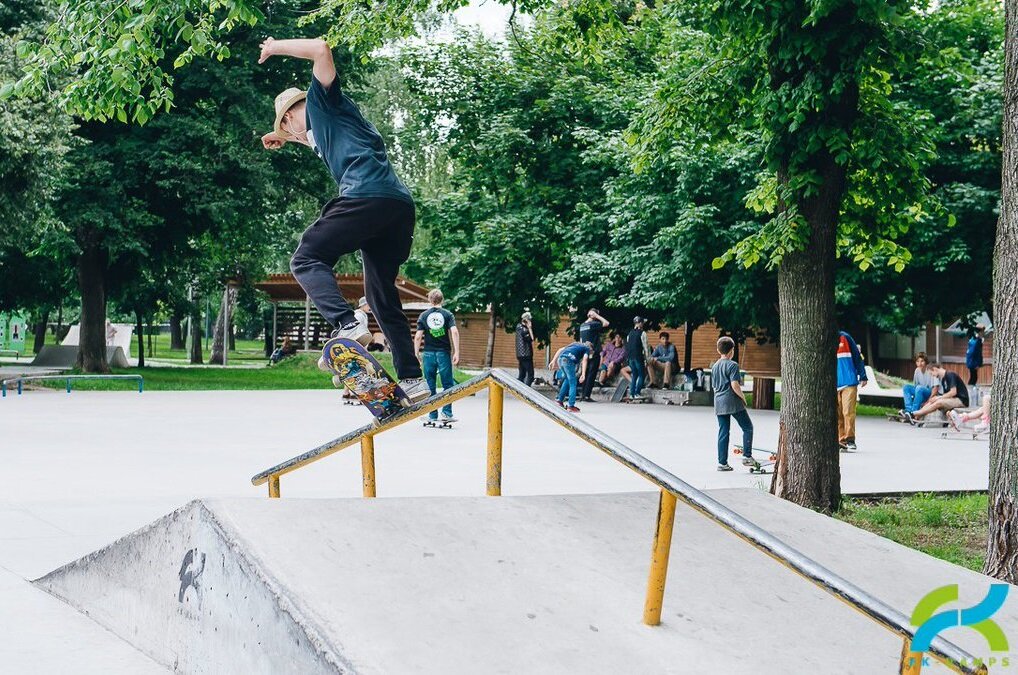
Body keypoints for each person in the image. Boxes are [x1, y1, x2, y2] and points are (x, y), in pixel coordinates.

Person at [259, 36, 427, 402]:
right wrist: (283, 137)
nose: (291, 128)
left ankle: (348, 324)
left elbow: (320, 49)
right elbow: (311, 137)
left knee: (306, 257)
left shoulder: (321, 100)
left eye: (289, 120)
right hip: (396, 209)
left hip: (367, 196)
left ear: (295, 109)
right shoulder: (323, 129)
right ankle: (413, 379)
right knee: (381, 295)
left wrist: (274, 46)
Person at [414, 289, 460, 423]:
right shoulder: (448, 314)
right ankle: (446, 413)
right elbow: (455, 332)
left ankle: (432, 415)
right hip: (444, 352)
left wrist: (416, 354)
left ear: (429, 300)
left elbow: (418, 337)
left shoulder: (423, 315)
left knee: (430, 384)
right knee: (447, 383)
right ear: (442, 300)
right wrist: (457, 352)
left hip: (428, 353)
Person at [712, 336, 754, 472]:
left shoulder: (715, 366)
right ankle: (747, 456)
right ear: (732, 350)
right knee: (747, 427)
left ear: (719, 350)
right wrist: (743, 398)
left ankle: (722, 463)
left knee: (723, 431)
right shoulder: (733, 365)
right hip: (732, 401)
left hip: (719, 401)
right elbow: (735, 385)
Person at [836, 330, 868, 451]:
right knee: (837, 413)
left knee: (848, 411)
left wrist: (863, 375)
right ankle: (841, 440)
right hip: (833, 383)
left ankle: (850, 440)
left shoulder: (845, 338)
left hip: (848, 381)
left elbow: (857, 356)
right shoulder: (824, 340)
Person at [578, 309, 610, 403]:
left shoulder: (582, 326)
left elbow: (580, 339)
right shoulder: (593, 325)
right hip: (594, 352)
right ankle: (587, 396)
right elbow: (606, 323)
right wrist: (597, 316)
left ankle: (583, 395)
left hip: (584, 352)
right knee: (591, 374)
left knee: (585, 373)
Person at [552, 341, 593, 412]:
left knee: (567, 380)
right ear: (590, 348)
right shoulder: (586, 348)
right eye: (591, 352)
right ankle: (571, 406)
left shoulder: (574, 344)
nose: (590, 354)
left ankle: (559, 401)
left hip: (561, 359)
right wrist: (583, 374)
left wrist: (553, 361)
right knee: (573, 383)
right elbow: (585, 360)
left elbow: (560, 350)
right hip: (568, 361)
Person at [901, 352, 940, 416]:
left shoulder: (930, 369)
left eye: (922, 361)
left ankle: (913, 412)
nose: (920, 363)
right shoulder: (917, 370)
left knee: (919, 388)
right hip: (919, 391)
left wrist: (928, 401)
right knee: (906, 387)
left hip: (929, 392)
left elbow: (935, 388)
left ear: (925, 361)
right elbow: (915, 386)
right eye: (918, 361)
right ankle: (908, 410)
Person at [626, 317, 651, 399]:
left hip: (630, 357)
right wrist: (648, 359)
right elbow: (646, 347)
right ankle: (637, 393)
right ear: (639, 323)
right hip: (638, 356)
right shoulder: (642, 333)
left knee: (634, 375)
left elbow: (628, 345)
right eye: (642, 322)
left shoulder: (630, 333)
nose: (643, 324)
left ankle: (631, 394)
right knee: (641, 375)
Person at [515, 311, 536, 386]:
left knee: (522, 374)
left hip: (520, 355)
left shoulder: (518, 327)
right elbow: (532, 338)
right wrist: (530, 328)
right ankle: (527, 393)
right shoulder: (524, 329)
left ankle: (519, 390)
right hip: (526, 354)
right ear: (527, 320)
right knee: (530, 375)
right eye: (529, 320)